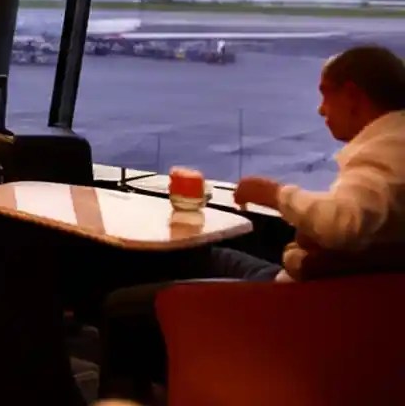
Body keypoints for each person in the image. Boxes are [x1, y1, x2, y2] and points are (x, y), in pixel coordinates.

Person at [98, 44, 405, 400]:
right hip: (339, 298)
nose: (321, 109)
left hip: (300, 303)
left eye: (326, 95)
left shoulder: (384, 155)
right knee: (205, 257)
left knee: (121, 307)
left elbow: (344, 222)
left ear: (353, 95)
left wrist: (275, 195)